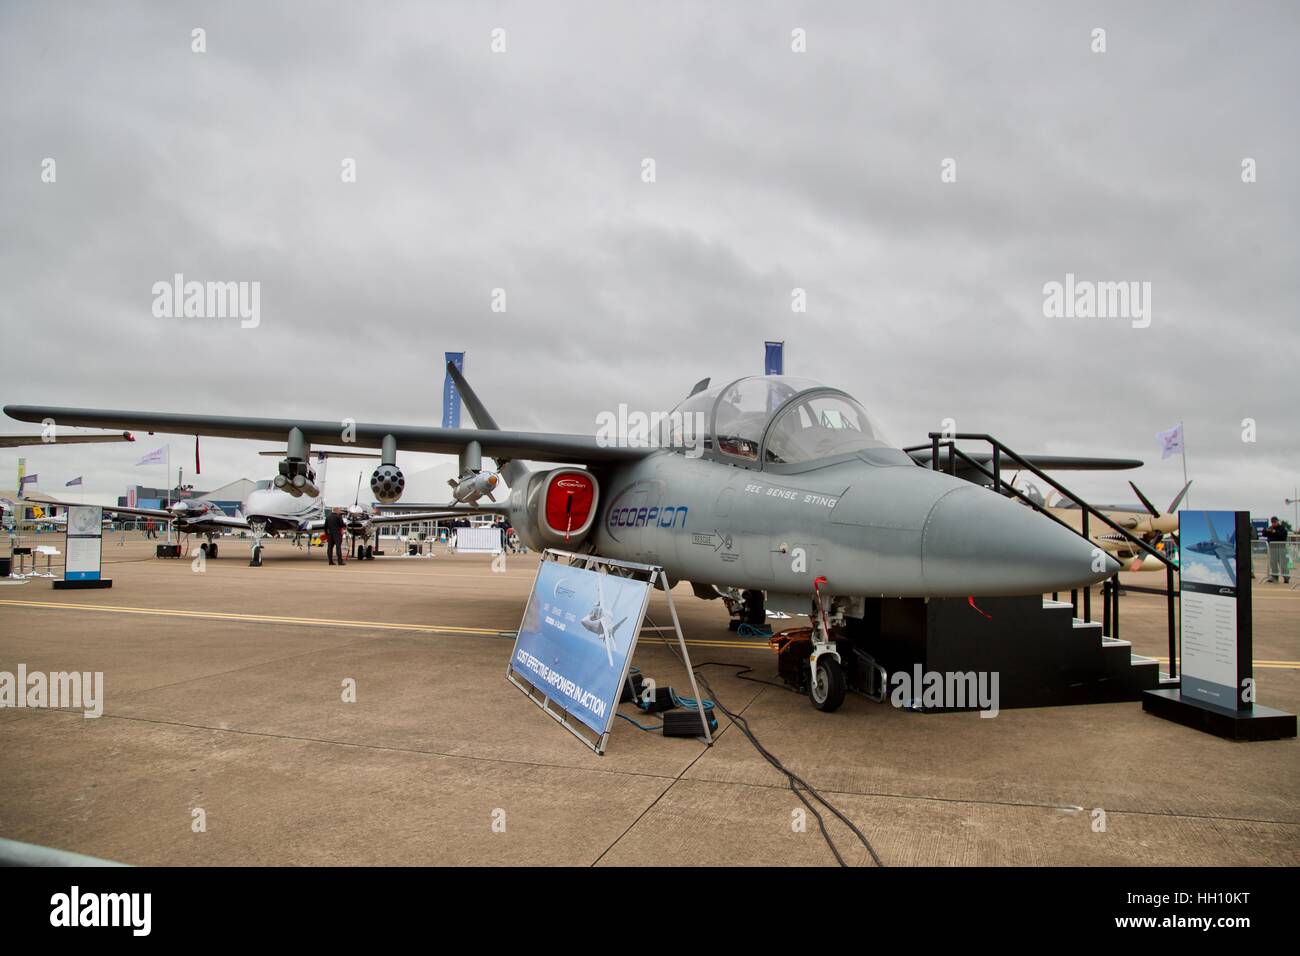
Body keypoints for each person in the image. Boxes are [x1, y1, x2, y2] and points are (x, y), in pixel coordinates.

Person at [1262, 516, 1290, 583]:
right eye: (1272, 522)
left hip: (1281, 548)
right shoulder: (1270, 528)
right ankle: (1274, 577)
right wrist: (1267, 530)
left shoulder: (1282, 528)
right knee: (1273, 563)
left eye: (1275, 522)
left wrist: (1275, 532)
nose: (1273, 523)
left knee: (1283, 563)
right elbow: (1264, 534)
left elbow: (1283, 536)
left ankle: (1286, 577)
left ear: (1277, 521)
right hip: (1272, 548)